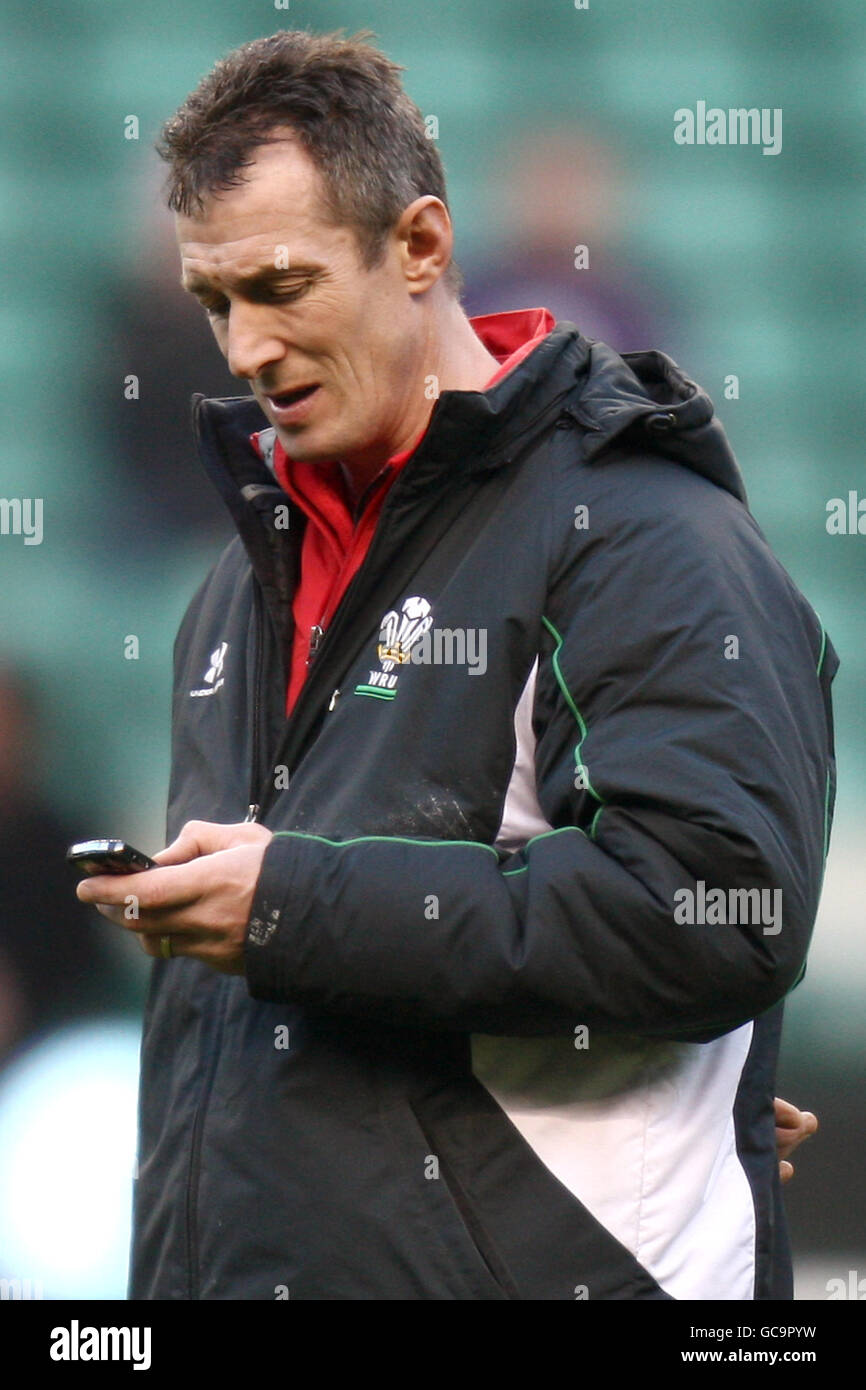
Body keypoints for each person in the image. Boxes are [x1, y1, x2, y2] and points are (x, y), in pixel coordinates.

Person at [77, 29, 837, 1301]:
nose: (245, 349)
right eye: (215, 302)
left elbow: (716, 908)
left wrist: (293, 906)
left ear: (421, 246)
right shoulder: (234, 586)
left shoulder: (640, 533)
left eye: (281, 285)